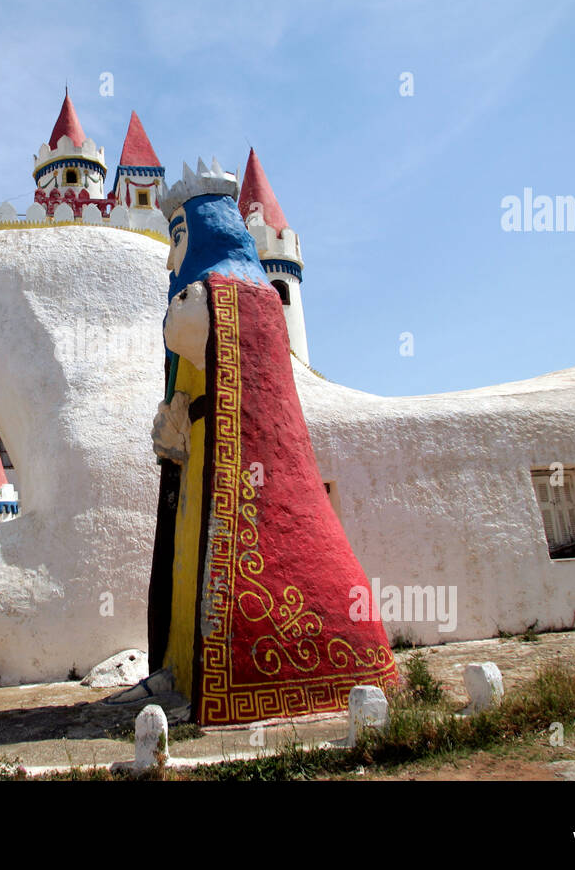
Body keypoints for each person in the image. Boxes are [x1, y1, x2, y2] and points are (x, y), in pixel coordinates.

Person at [145, 162, 398, 726]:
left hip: (236, 476)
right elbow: (192, 384)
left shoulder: (247, 296)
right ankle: (177, 667)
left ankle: (218, 681)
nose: (169, 258)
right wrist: (176, 427)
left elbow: (260, 403)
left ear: (208, 230)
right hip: (199, 474)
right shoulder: (200, 294)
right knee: (187, 564)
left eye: (179, 238)